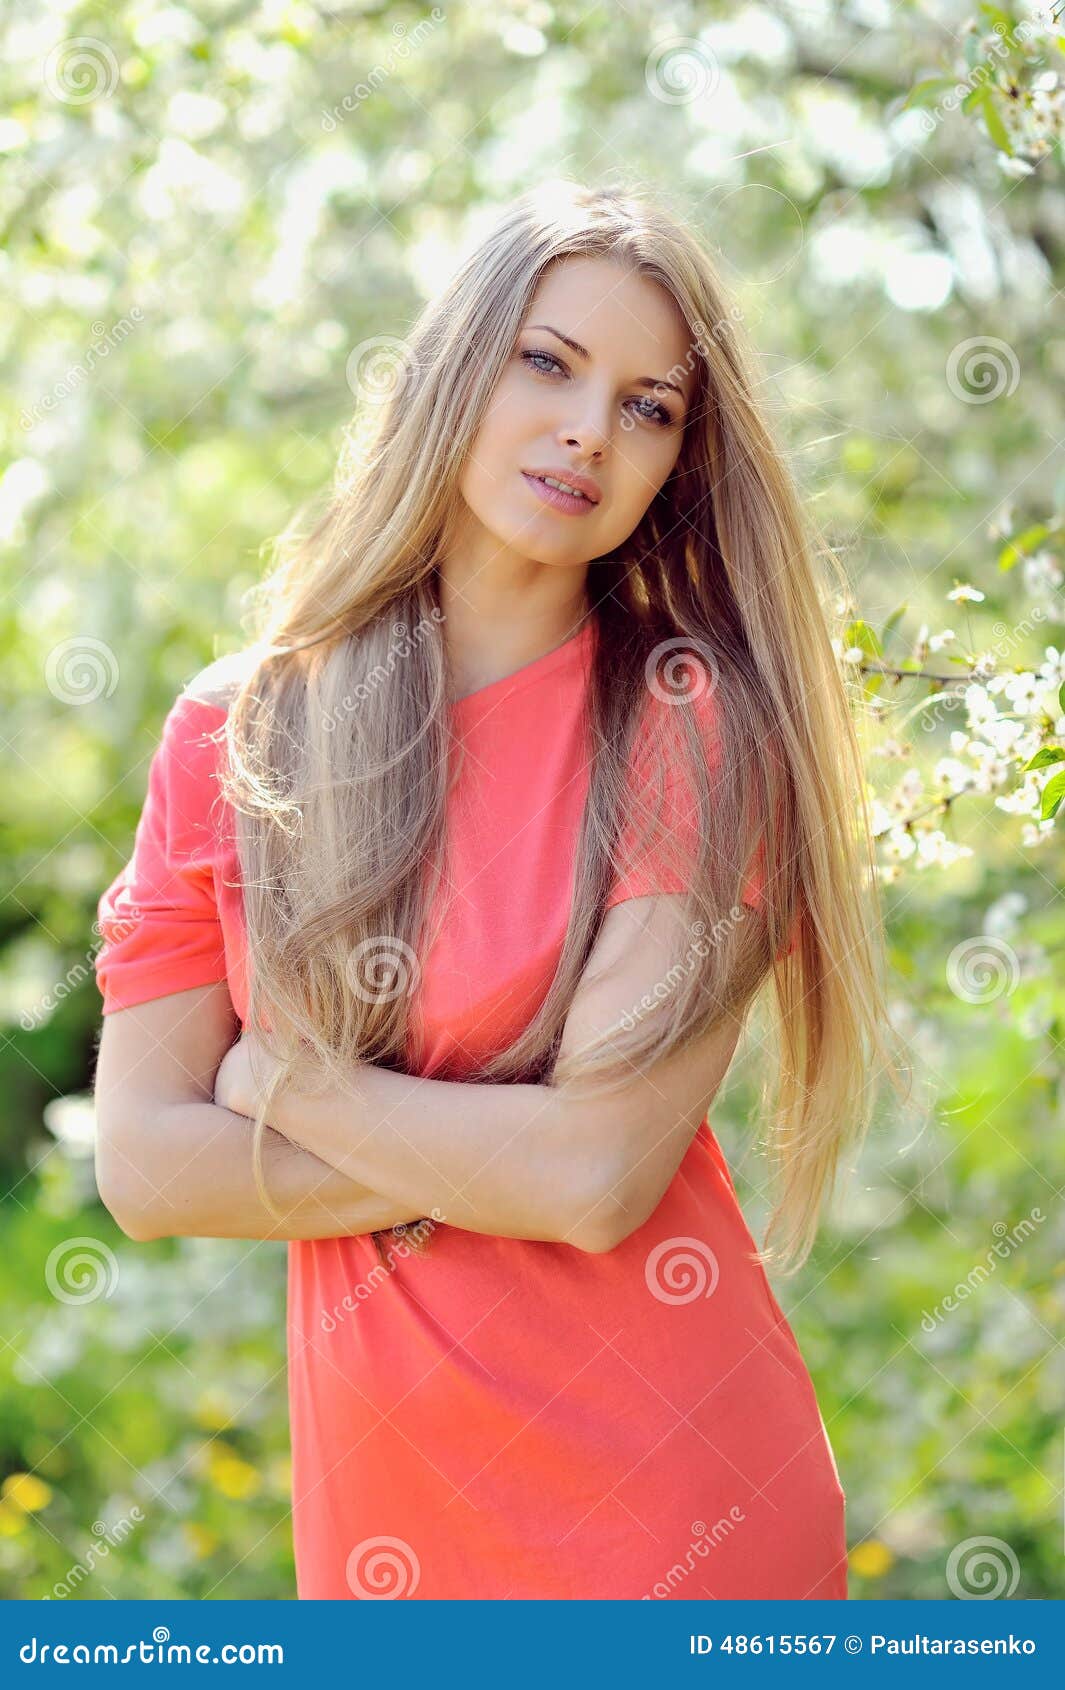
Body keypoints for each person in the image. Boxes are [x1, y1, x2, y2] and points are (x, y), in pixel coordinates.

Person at [92, 178, 901, 1600]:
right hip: (389, 1529)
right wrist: (499, 1152)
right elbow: (150, 1168)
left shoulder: (689, 720)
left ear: (675, 464)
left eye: (648, 407)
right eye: (548, 362)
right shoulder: (232, 736)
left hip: (673, 1513)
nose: (590, 428)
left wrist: (282, 1082)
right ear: (456, 365)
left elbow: (593, 1184)